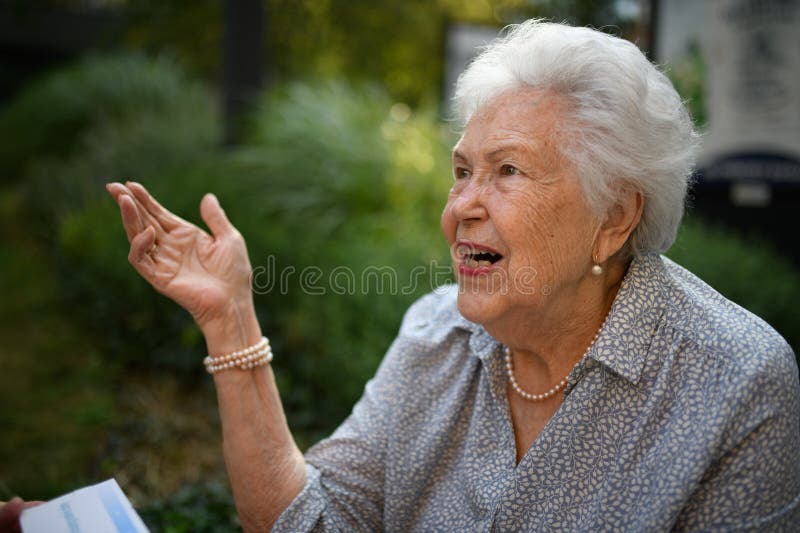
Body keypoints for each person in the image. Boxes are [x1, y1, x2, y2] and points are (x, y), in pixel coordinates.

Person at [3, 19, 798, 532]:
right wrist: (229, 319)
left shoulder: (737, 384)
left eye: (507, 172)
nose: (462, 208)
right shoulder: (436, 333)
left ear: (615, 216)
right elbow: (309, 522)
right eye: (461, 172)